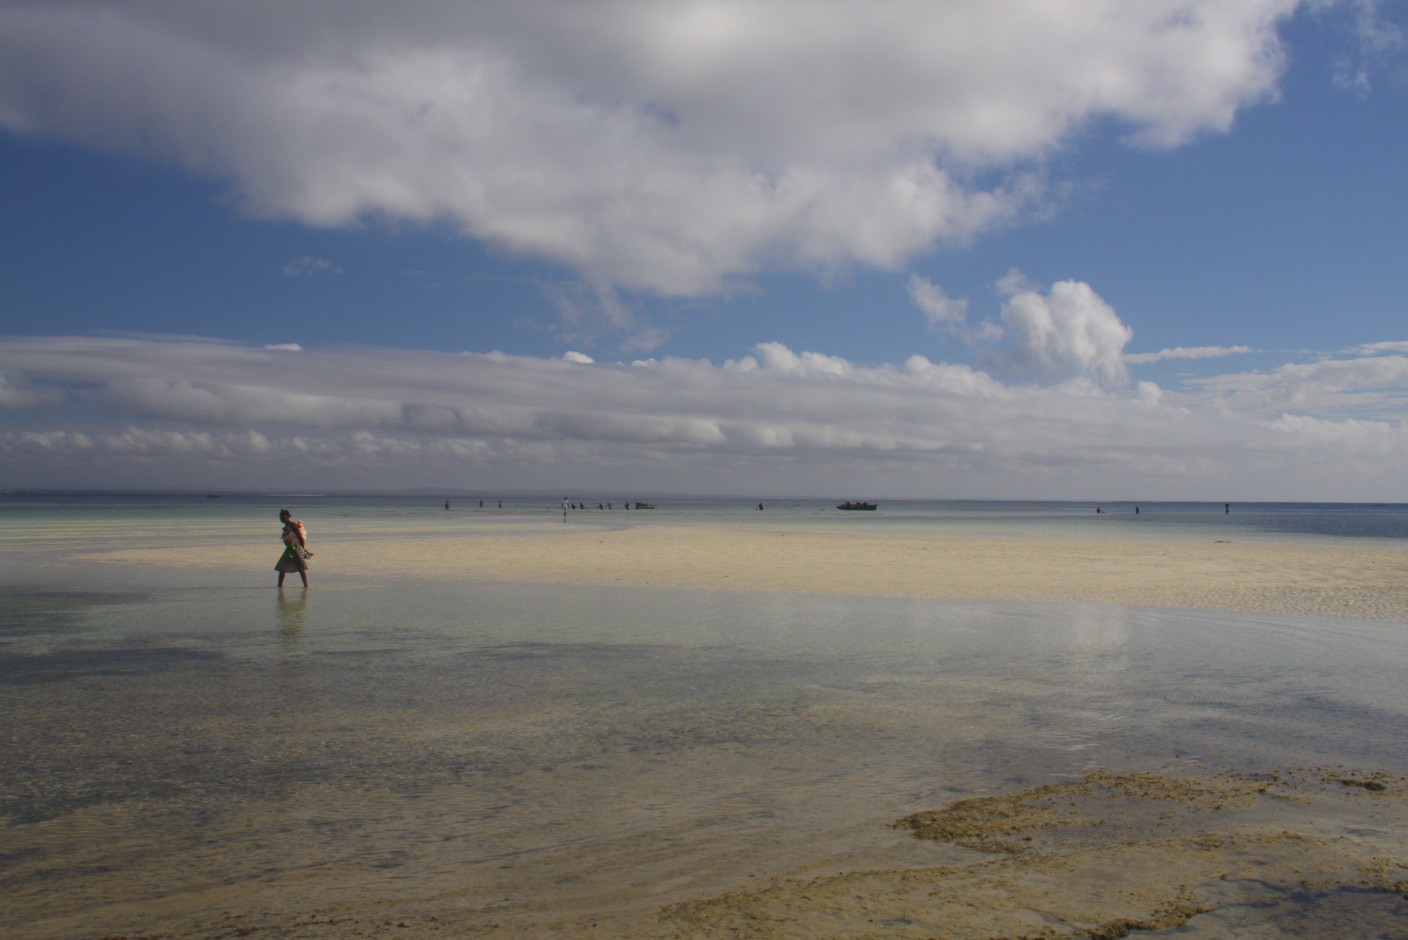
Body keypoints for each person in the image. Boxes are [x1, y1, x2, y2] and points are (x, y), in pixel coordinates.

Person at [275, 508, 310, 587]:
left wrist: (302, 549)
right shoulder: (286, 526)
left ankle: (306, 586)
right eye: (280, 517)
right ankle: (279, 587)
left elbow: (300, 538)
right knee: (281, 567)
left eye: (283, 517)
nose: (281, 519)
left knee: (301, 568)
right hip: (289, 549)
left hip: (296, 548)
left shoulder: (293, 525)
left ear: (288, 517)